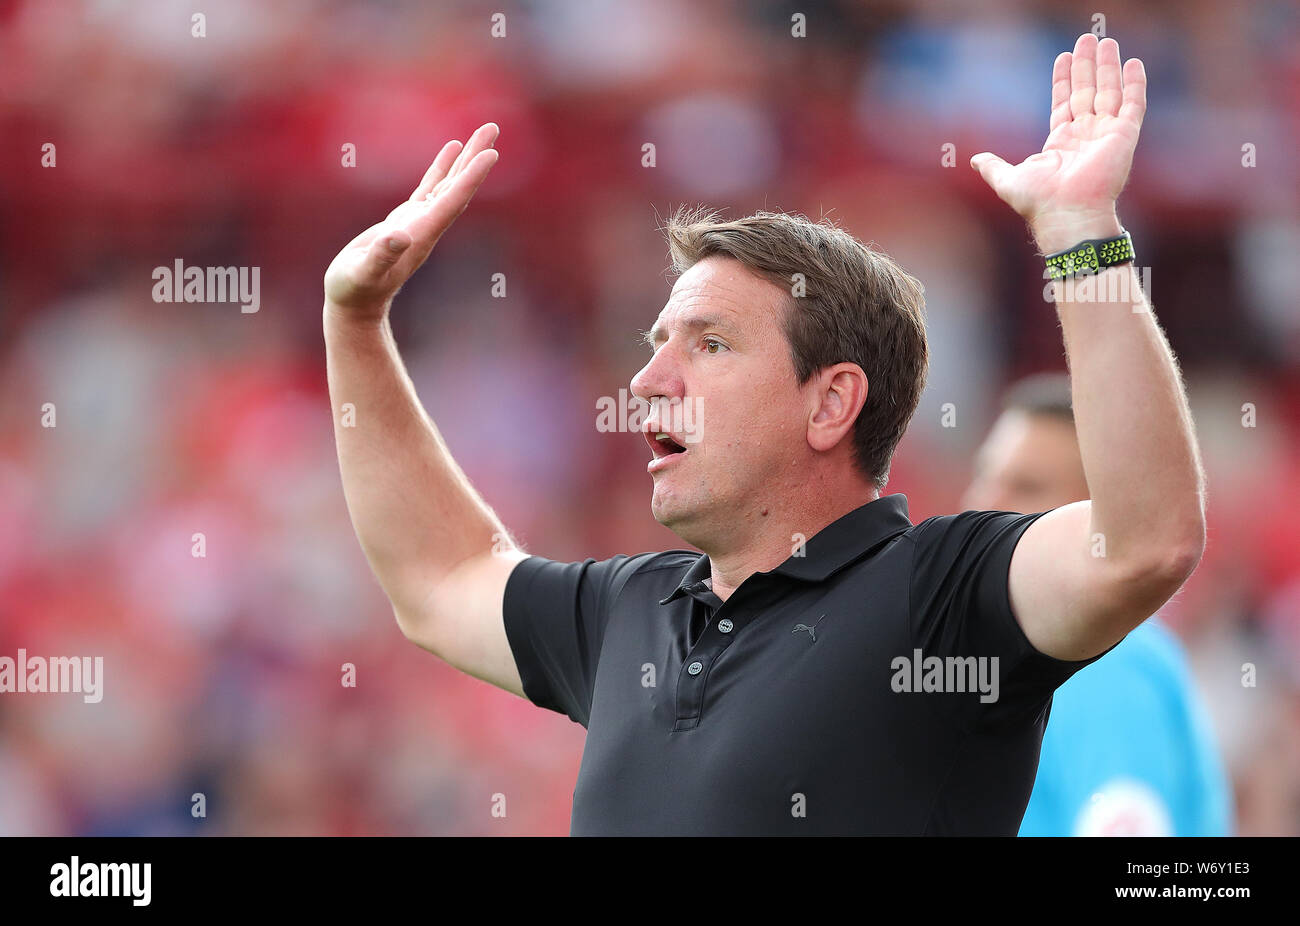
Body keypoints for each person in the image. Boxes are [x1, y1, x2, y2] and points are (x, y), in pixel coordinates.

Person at [322, 34, 1206, 834]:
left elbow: (1141, 544)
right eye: (656, 344)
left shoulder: (940, 595)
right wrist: (355, 320)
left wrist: (1082, 235)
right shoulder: (632, 611)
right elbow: (439, 577)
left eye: (709, 345)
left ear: (830, 404)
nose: (647, 380)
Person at [964, 373, 1232, 836]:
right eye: (986, 476)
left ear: (1102, 518)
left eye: (1026, 486)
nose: (985, 506)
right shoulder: (1037, 651)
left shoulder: (1105, 664)